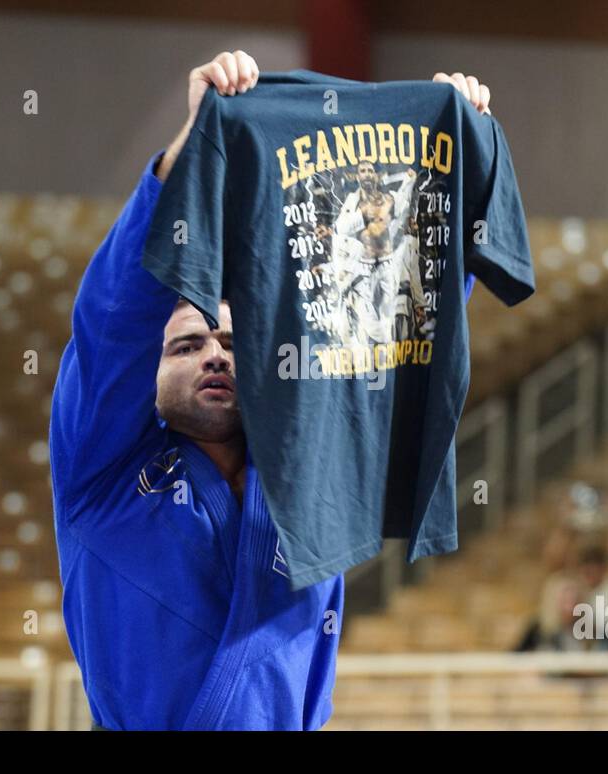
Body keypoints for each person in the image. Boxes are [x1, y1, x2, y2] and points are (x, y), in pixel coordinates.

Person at [50, 50, 495, 730]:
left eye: (231, 344)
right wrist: (193, 143)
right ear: (149, 370)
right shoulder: (102, 476)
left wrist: (438, 163)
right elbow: (114, 316)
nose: (213, 355)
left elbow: (396, 331)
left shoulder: (312, 472)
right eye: (186, 345)